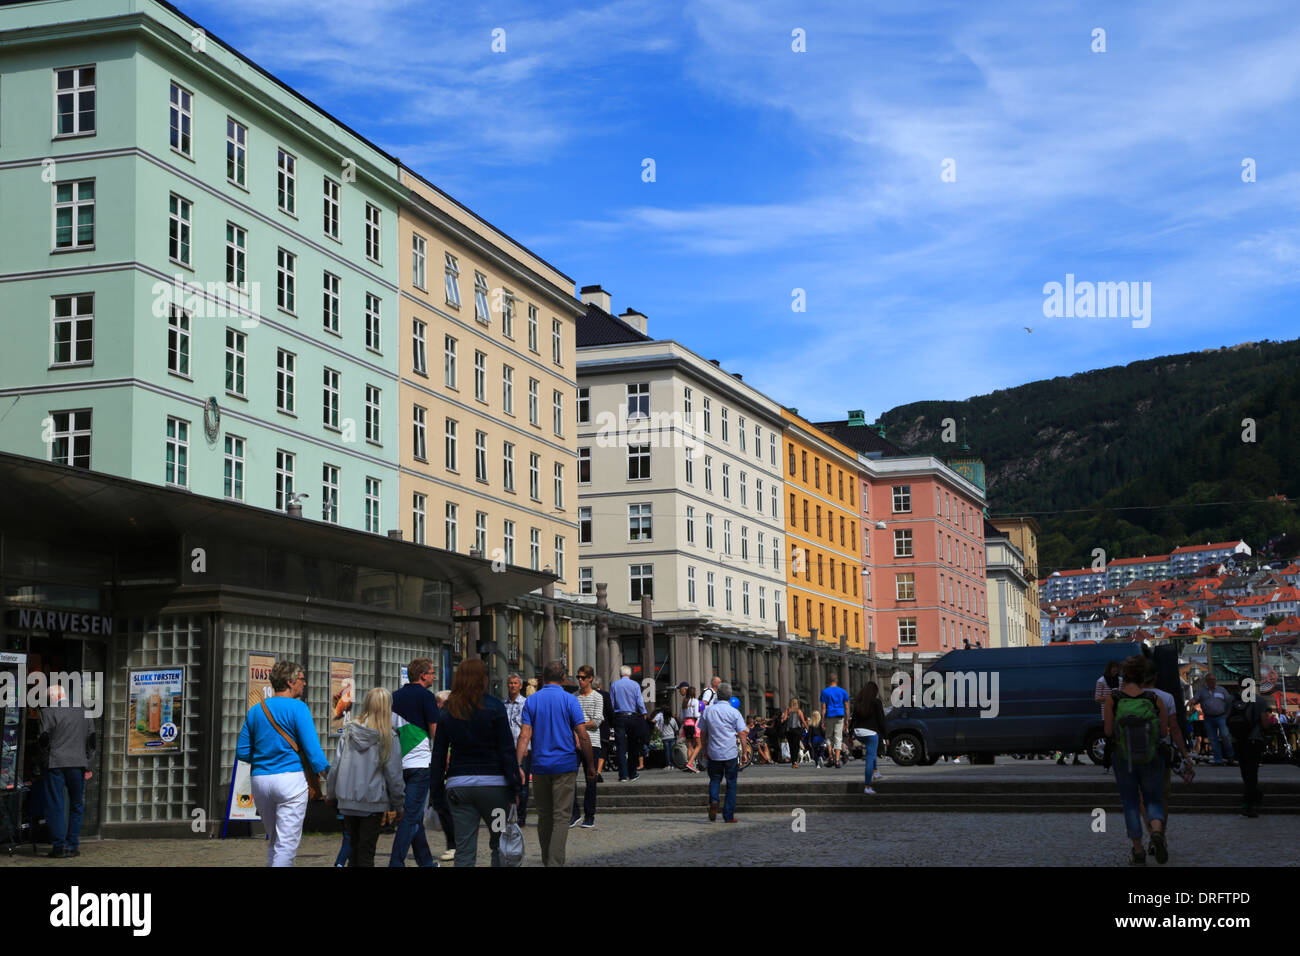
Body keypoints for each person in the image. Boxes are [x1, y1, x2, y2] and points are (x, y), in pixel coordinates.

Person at [236, 660, 329, 867]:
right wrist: (330, 776)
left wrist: (263, 757)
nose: (304, 684)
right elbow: (314, 753)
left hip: (260, 781)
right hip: (290, 780)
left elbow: (242, 752)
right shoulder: (299, 708)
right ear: (290, 682)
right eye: (302, 680)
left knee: (275, 841)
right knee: (286, 845)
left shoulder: (256, 710)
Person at [429, 658, 520, 867]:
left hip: (459, 788)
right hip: (494, 790)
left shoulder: (448, 710)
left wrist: (436, 793)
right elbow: (506, 749)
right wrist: (514, 785)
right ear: (483, 679)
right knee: (499, 842)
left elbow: (439, 755)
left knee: (464, 848)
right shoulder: (495, 707)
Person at [516, 660, 596, 867]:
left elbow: (524, 736)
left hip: (540, 766)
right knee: (561, 817)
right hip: (564, 765)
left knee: (544, 816)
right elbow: (583, 735)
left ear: (543, 677)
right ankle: (554, 863)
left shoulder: (532, 701)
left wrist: (517, 764)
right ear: (563, 678)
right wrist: (590, 764)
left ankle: (547, 860)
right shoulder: (570, 701)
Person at [327, 687, 405, 866]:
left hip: (347, 799)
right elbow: (394, 775)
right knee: (367, 851)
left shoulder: (349, 732)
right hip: (373, 800)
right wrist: (400, 804)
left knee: (353, 848)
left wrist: (331, 794)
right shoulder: (388, 737)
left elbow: (336, 767)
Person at [1104, 655, 1169, 865]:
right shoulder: (1153, 699)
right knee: (1153, 799)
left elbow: (1107, 731)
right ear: (1143, 677)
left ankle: (1138, 850)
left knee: (1130, 803)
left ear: (1124, 676)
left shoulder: (1113, 698)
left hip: (1123, 758)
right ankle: (1157, 831)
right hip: (1151, 756)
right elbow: (1163, 731)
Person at [388, 657, 440, 867]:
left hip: (400, 763)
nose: (434, 676)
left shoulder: (394, 696)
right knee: (410, 817)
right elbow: (436, 730)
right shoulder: (427, 697)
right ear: (422, 675)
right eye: (432, 672)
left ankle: (426, 862)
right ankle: (395, 862)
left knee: (415, 815)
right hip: (420, 763)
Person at [38, 683, 96, 859]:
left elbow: (43, 742)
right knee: (76, 805)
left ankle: (59, 846)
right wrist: (88, 764)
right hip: (77, 763)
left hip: (55, 763)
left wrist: (42, 764)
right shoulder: (84, 711)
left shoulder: (47, 712)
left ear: (54, 697)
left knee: (55, 804)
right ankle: (72, 845)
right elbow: (92, 741)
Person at [698, 682, 748, 823]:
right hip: (730, 752)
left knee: (714, 780)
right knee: (731, 783)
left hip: (714, 752)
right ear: (730, 696)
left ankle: (714, 801)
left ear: (717, 695)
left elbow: (702, 732)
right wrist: (744, 752)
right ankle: (728, 815)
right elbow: (742, 734)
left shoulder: (708, 711)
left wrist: (704, 749)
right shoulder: (734, 712)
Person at [1227, 688, 1272, 818]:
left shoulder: (1231, 700)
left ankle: (1253, 794)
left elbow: (1226, 718)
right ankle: (1248, 803)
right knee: (1252, 771)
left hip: (1237, 741)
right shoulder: (1259, 700)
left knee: (1245, 771)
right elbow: (1265, 721)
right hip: (1254, 739)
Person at [571, 665, 604, 828]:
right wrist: (578, 729)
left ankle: (589, 815)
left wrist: (579, 725)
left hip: (593, 742)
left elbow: (597, 721)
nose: (580, 680)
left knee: (591, 778)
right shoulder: (573, 697)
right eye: (578, 677)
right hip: (574, 742)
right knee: (570, 777)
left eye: (583, 677)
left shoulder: (598, 697)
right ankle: (574, 813)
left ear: (590, 678)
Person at [610, 665, 648, 782]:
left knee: (621, 747)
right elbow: (639, 701)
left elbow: (612, 702)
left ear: (620, 674)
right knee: (633, 746)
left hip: (619, 717)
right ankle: (632, 773)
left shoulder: (614, 685)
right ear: (630, 674)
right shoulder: (635, 685)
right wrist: (644, 712)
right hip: (632, 717)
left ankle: (623, 775)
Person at [849, 681, 887, 794]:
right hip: (871, 733)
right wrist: (886, 736)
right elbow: (881, 721)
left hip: (858, 732)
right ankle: (867, 786)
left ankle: (875, 771)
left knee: (872, 750)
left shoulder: (858, 702)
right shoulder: (876, 702)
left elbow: (853, 719)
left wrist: (851, 734)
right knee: (870, 757)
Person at [503, 673, 529, 826]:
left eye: (515, 683)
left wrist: (526, 745)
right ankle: (507, 814)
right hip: (506, 749)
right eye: (510, 683)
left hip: (522, 748)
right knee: (506, 782)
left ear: (520, 686)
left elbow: (529, 728)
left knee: (522, 783)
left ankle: (521, 816)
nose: (512, 685)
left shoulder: (526, 703)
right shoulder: (503, 704)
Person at [1193, 674, 1235, 765]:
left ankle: (1230, 757)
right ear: (1206, 681)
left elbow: (1229, 702)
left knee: (1225, 737)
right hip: (1208, 718)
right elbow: (1195, 699)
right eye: (1210, 680)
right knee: (1213, 739)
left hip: (1221, 717)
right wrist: (1189, 704)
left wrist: (1227, 714)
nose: (1212, 681)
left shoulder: (1222, 690)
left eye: (1214, 680)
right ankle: (1218, 760)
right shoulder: (1201, 691)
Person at [820, 674, 851, 769]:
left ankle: (831, 758)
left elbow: (823, 708)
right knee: (838, 737)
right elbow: (846, 708)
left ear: (829, 680)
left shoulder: (825, 692)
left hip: (830, 716)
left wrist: (823, 720)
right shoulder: (843, 691)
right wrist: (847, 720)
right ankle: (837, 761)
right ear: (837, 680)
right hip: (840, 715)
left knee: (828, 737)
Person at [1095, 660, 1121, 770]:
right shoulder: (1101, 681)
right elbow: (1097, 698)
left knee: (1119, 740)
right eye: (1113, 669)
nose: (1115, 671)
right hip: (1106, 713)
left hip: (1119, 713)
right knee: (1109, 740)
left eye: (1116, 669)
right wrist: (1110, 698)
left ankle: (1118, 764)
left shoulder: (1120, 681)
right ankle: (1107, 765)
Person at [679, 684, 702, 772]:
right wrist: (701, 714)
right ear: (694, 693)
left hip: (686, 724)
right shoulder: (695, 701)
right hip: (694, 724)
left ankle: (690, 766)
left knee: (690, 746)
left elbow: (681, 716)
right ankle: (690, 763)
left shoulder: (684, 701)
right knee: (699, 745)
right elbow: (696, 714)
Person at [781, 697, 807, 768]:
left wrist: (783, 719)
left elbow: (784, 719)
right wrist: (807, 728)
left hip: (789, 731)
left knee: (791, 746)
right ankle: (795, 761)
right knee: (796, 746)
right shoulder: (799, 711)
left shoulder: (788, 710)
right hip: (797, 730)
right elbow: (803, 721)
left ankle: (793, 762)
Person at [654, 706, 678, 771]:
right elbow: (676, 728)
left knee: (667, 751)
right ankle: (672, 764)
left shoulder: (662, 719)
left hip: (665, 737)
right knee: (671, 751)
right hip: (672, 737)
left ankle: (668, 765)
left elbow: (659, 728)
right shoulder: (673, 719)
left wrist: (661, 732)